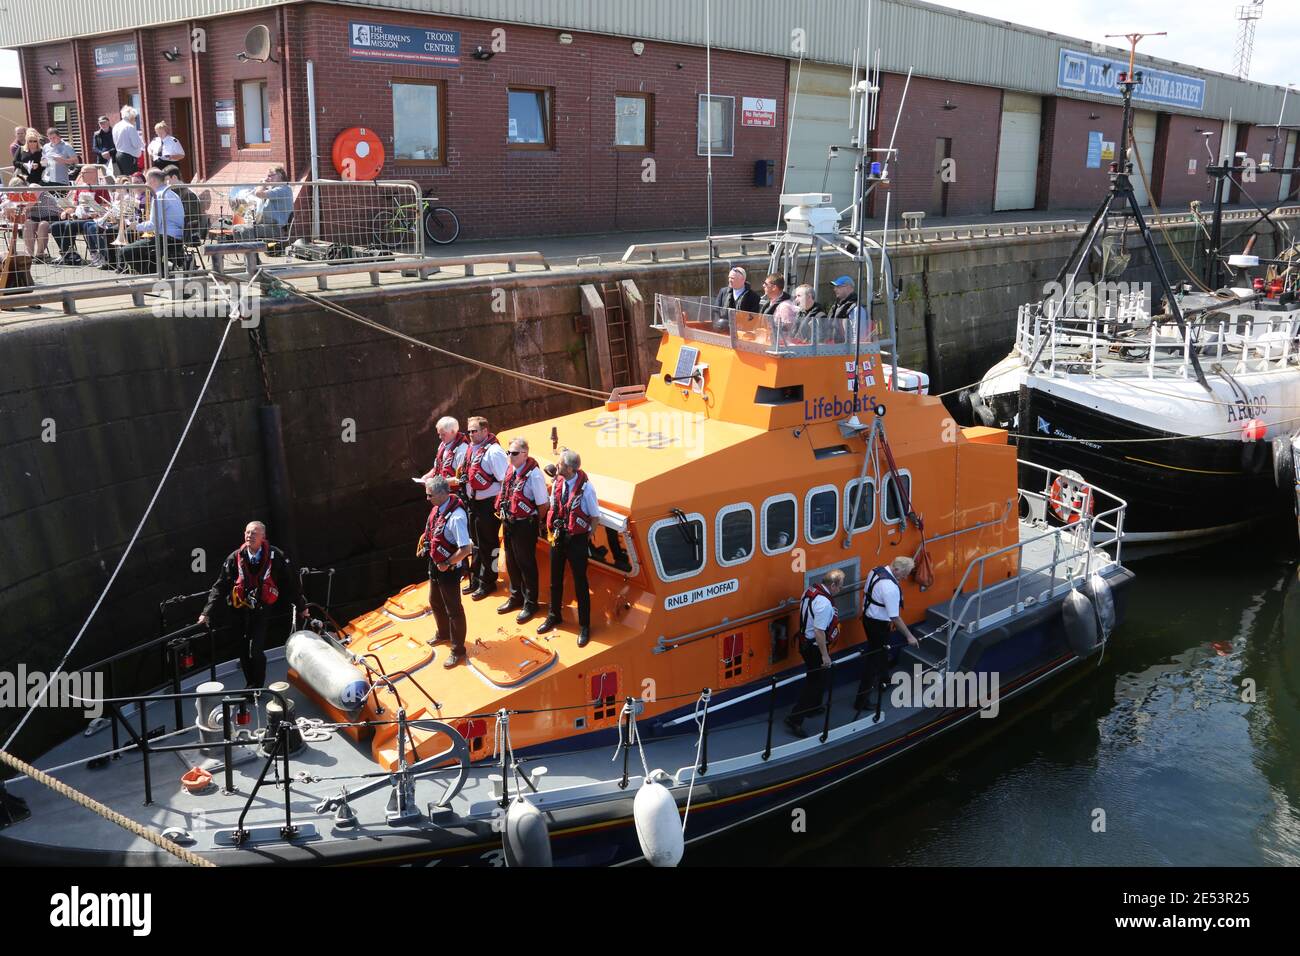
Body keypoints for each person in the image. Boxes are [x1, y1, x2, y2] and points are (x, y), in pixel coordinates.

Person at [198, 520, 306, 688]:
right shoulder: (235, 557)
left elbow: (290, 583)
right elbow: (220, 586)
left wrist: (302, 607)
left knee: (255, 651)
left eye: (254, 533)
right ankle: (251, 684)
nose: (249, 536)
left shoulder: (275, 555)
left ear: (263, 536)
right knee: (242, 651)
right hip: (239, 610)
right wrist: (206, 612)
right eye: (247, 532)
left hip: (261, 610)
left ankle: (257, 686)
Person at [538, 448, 599, 647]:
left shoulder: (586, 489)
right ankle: (554, 615)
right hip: (558, 536)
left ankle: (585, 626)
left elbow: (594, 516)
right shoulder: (558, 481)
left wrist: (583, 537)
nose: (558, 466)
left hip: (576, 540)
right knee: (555, 579)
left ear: (571, 469)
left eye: (561, 464)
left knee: (581, 583)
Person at [418, 476, 474, 668]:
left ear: (443, 494)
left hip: (448, 568)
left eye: (429, 495)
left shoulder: (456, 517)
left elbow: (466, 549)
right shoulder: (437, 509)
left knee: (454, 610)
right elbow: (432, 531)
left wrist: (449, 563)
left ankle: (458, 650)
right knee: (434, 600)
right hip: (436, 564)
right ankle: (443, 633)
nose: (427, 498)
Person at [785, 570, 845, 738]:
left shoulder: (809, 591)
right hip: (814, 647)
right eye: (839, 587)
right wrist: (825, 655)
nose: (840, 590)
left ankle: (813, 707)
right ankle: (795, 719)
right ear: (832, 585)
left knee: (816, 678)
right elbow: (819, 632)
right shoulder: (825, 604)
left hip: (804, 642)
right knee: (815, 683)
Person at [495, 437, 550, 623]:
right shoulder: (511, 469)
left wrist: (535, 523)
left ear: (525, 454)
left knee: (526, 563)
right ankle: (516, 595)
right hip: (509, 521)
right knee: (511, 561)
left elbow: (543, 504)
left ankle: (531, 602)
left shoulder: (534, 475)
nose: (510, 456)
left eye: (514, 453)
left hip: (524, 524)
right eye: (508, 452)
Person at [855, 556, 920, 712]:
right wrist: (909, 636)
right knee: (873, 661)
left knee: (883, 650)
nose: (905, 578)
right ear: (896, 570)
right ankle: (861, 701)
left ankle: (884, 679)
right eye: (904, 574)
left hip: (868, 619)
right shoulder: (890, 587)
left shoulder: (876, 571)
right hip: (878, 624)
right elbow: (895, 617)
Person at [463, 416, 509, 600]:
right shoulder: (472, 449)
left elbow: (504, 480)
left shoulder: (494, 452)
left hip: (488, 504)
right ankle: (476, 578)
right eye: (469, 431)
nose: (471, 434)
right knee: (476, 543)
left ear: (485, 431)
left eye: (474, 431)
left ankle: (488, 581)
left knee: (489, 545)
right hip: (473, 503)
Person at [119, 168, 184, 273]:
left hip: (167, 238)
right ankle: (163, 270)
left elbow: (153, 225)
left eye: (147, 181)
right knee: (140, 249)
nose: (146, 184)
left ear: (153, 181)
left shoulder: (158, 196)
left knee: (125, 251)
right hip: (177, 238)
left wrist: (135, 226)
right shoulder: (173, 194)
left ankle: (162, 272)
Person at [51, 165, 110, 266]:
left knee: (70, 225)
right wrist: (66, 211)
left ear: (93, 174)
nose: (81, 175)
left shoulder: (101, 189)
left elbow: (106, 208)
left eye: (84, 173)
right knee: (55, 226)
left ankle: (65, 254)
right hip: (78, 217)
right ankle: (70, 253)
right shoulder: (80, 188)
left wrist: (92, 213)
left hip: (92, 219)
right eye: (81, 173)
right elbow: (74, 206)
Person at [232, 166, 293, 241]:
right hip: (266, 225)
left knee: (243, 230)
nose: (267, 178)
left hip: (276, 228)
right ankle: (245, 250)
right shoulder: (273, 190)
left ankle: (253, 251)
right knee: (236, 229)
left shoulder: (283, 189)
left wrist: (262, 184)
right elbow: (256, 199)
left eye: (270, 175)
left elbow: (258, 194)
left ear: (280, 175)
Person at [420, 416, 470, 483]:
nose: (440, 437)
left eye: (443, 434)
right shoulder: (442, 445)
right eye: (439, 434)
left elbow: (461, 479)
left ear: (453, 431)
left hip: (456, 492)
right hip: (441, 490)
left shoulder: (463, 449)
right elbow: (437, 467)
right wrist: (426, 477)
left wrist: (438, 482)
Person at [829, 275, 871, 344]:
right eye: (835, 287)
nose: (835, 289)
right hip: (837, 349)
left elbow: (859, 339)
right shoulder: (837, 307)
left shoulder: (857, 309)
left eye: (838, 286)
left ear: (849, 288)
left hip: (848, 352)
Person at [112, 106, 145, 177]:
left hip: (119, 154)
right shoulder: (130, 127)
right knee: (132, 178)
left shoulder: (116, 126)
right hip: (129, 157)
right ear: (131, 117)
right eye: (134, 118)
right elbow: (136, 144)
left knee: (124, 178)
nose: (135, 120)